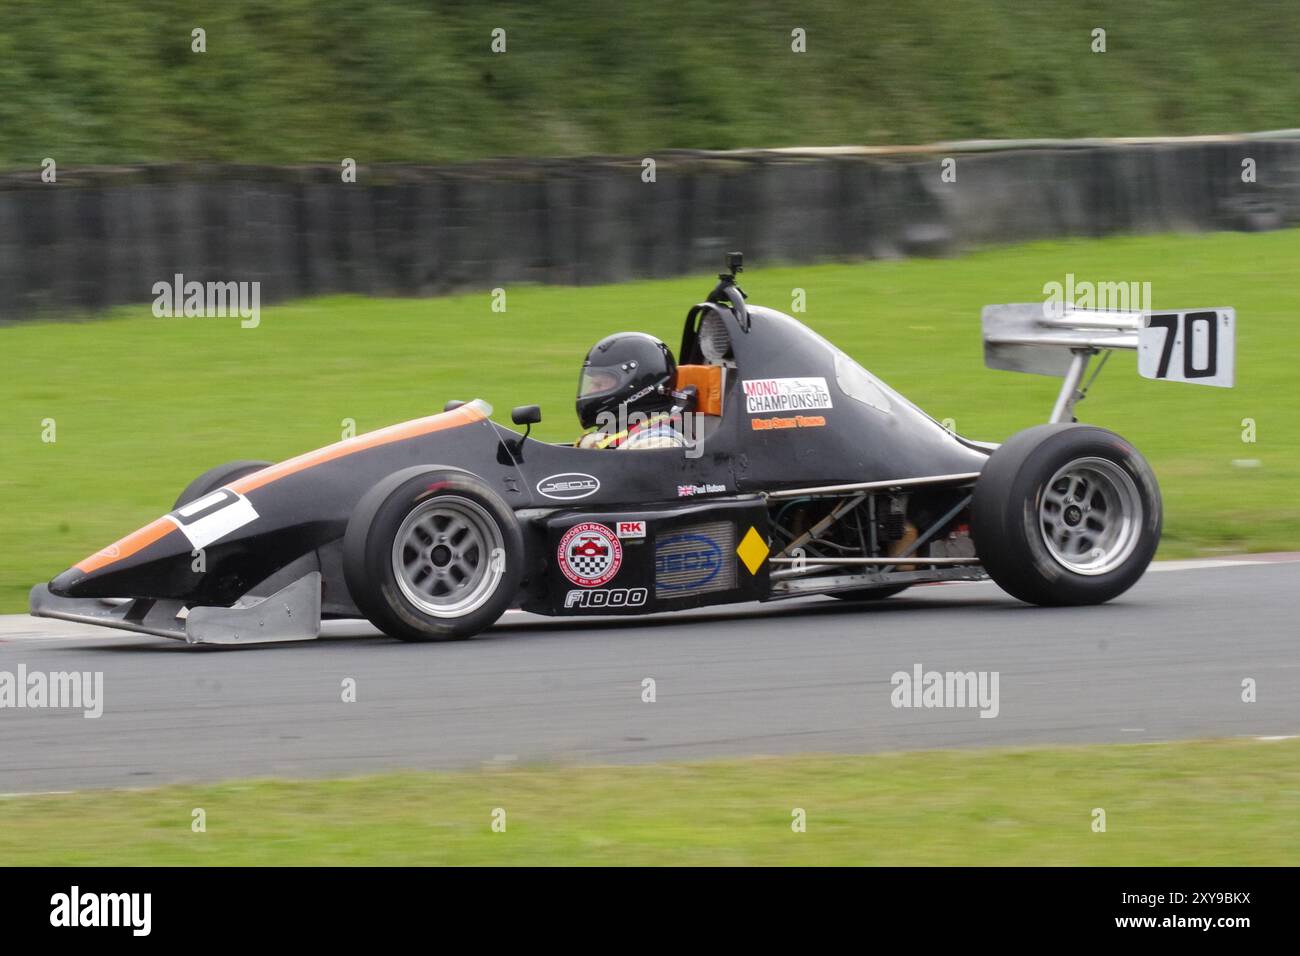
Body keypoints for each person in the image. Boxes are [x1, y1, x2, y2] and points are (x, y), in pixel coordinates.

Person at [575, 333, 691, 449]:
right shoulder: (613, 434)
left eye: (599, 384)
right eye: (592, 383)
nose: (591, 391)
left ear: (637, 386)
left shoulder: (659, 443)